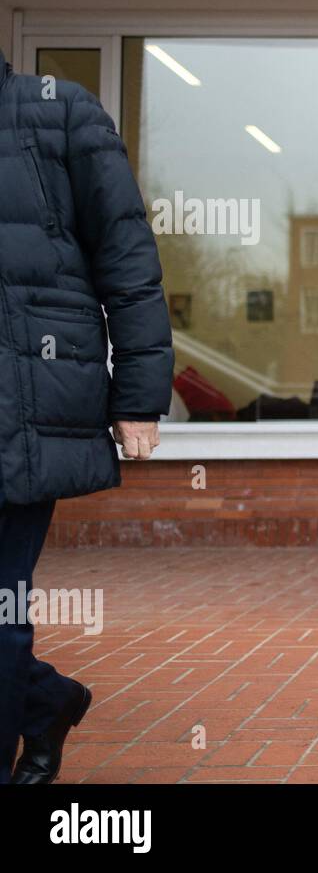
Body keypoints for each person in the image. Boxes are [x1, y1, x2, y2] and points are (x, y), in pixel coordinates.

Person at [0, 47, 174, 784]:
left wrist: (138, 395)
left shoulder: (59, 110)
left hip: (25, 409)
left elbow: (126, 256)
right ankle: (46, 704)